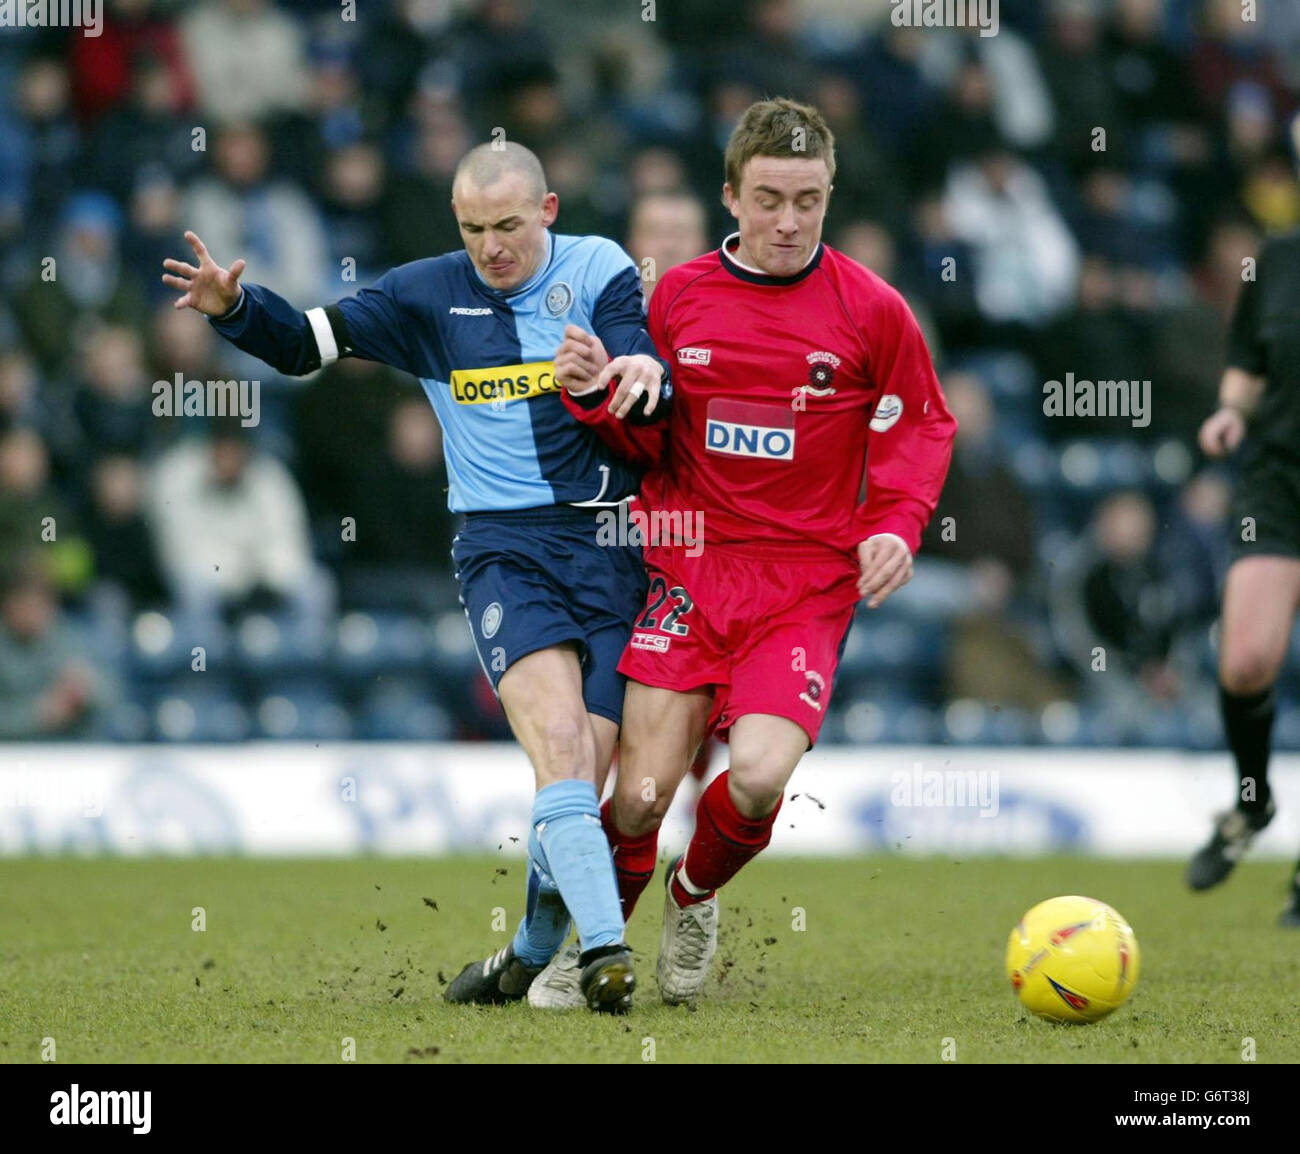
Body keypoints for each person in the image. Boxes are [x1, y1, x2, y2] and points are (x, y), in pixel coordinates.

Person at [161, 141, 669, 1009]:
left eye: (508, 226)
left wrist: (631, 372)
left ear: (546, 213)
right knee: (559, 752)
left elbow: (639, 364)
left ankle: (522, 957)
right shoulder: (425, 293)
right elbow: (304, 345)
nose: (490, 248)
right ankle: (604, 957)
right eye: (473, 229)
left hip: (611, 547)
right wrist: (236, 307)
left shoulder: (599, 268)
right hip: (504, 551)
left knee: (586, 775)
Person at [548, 98, 956, 1005]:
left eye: (807, 200)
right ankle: (597, 950)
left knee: (762, 776)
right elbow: (643, 440)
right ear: (730, 196)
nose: (788, 221)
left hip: (805, 582)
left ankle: (692, 895)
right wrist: (596, 394)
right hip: (689, 561)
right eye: (769, 198)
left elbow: (920, 424)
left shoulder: (873, 310)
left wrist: (896, 522)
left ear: (829, 195)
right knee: (638, 800)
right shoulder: (680, 297)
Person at [1186, 174, 1300, 926]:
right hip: (1279, 478)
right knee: (1246, 660)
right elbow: (1248, 367)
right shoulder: (1278, 260)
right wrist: (1230, 412)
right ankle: (1251, 804)